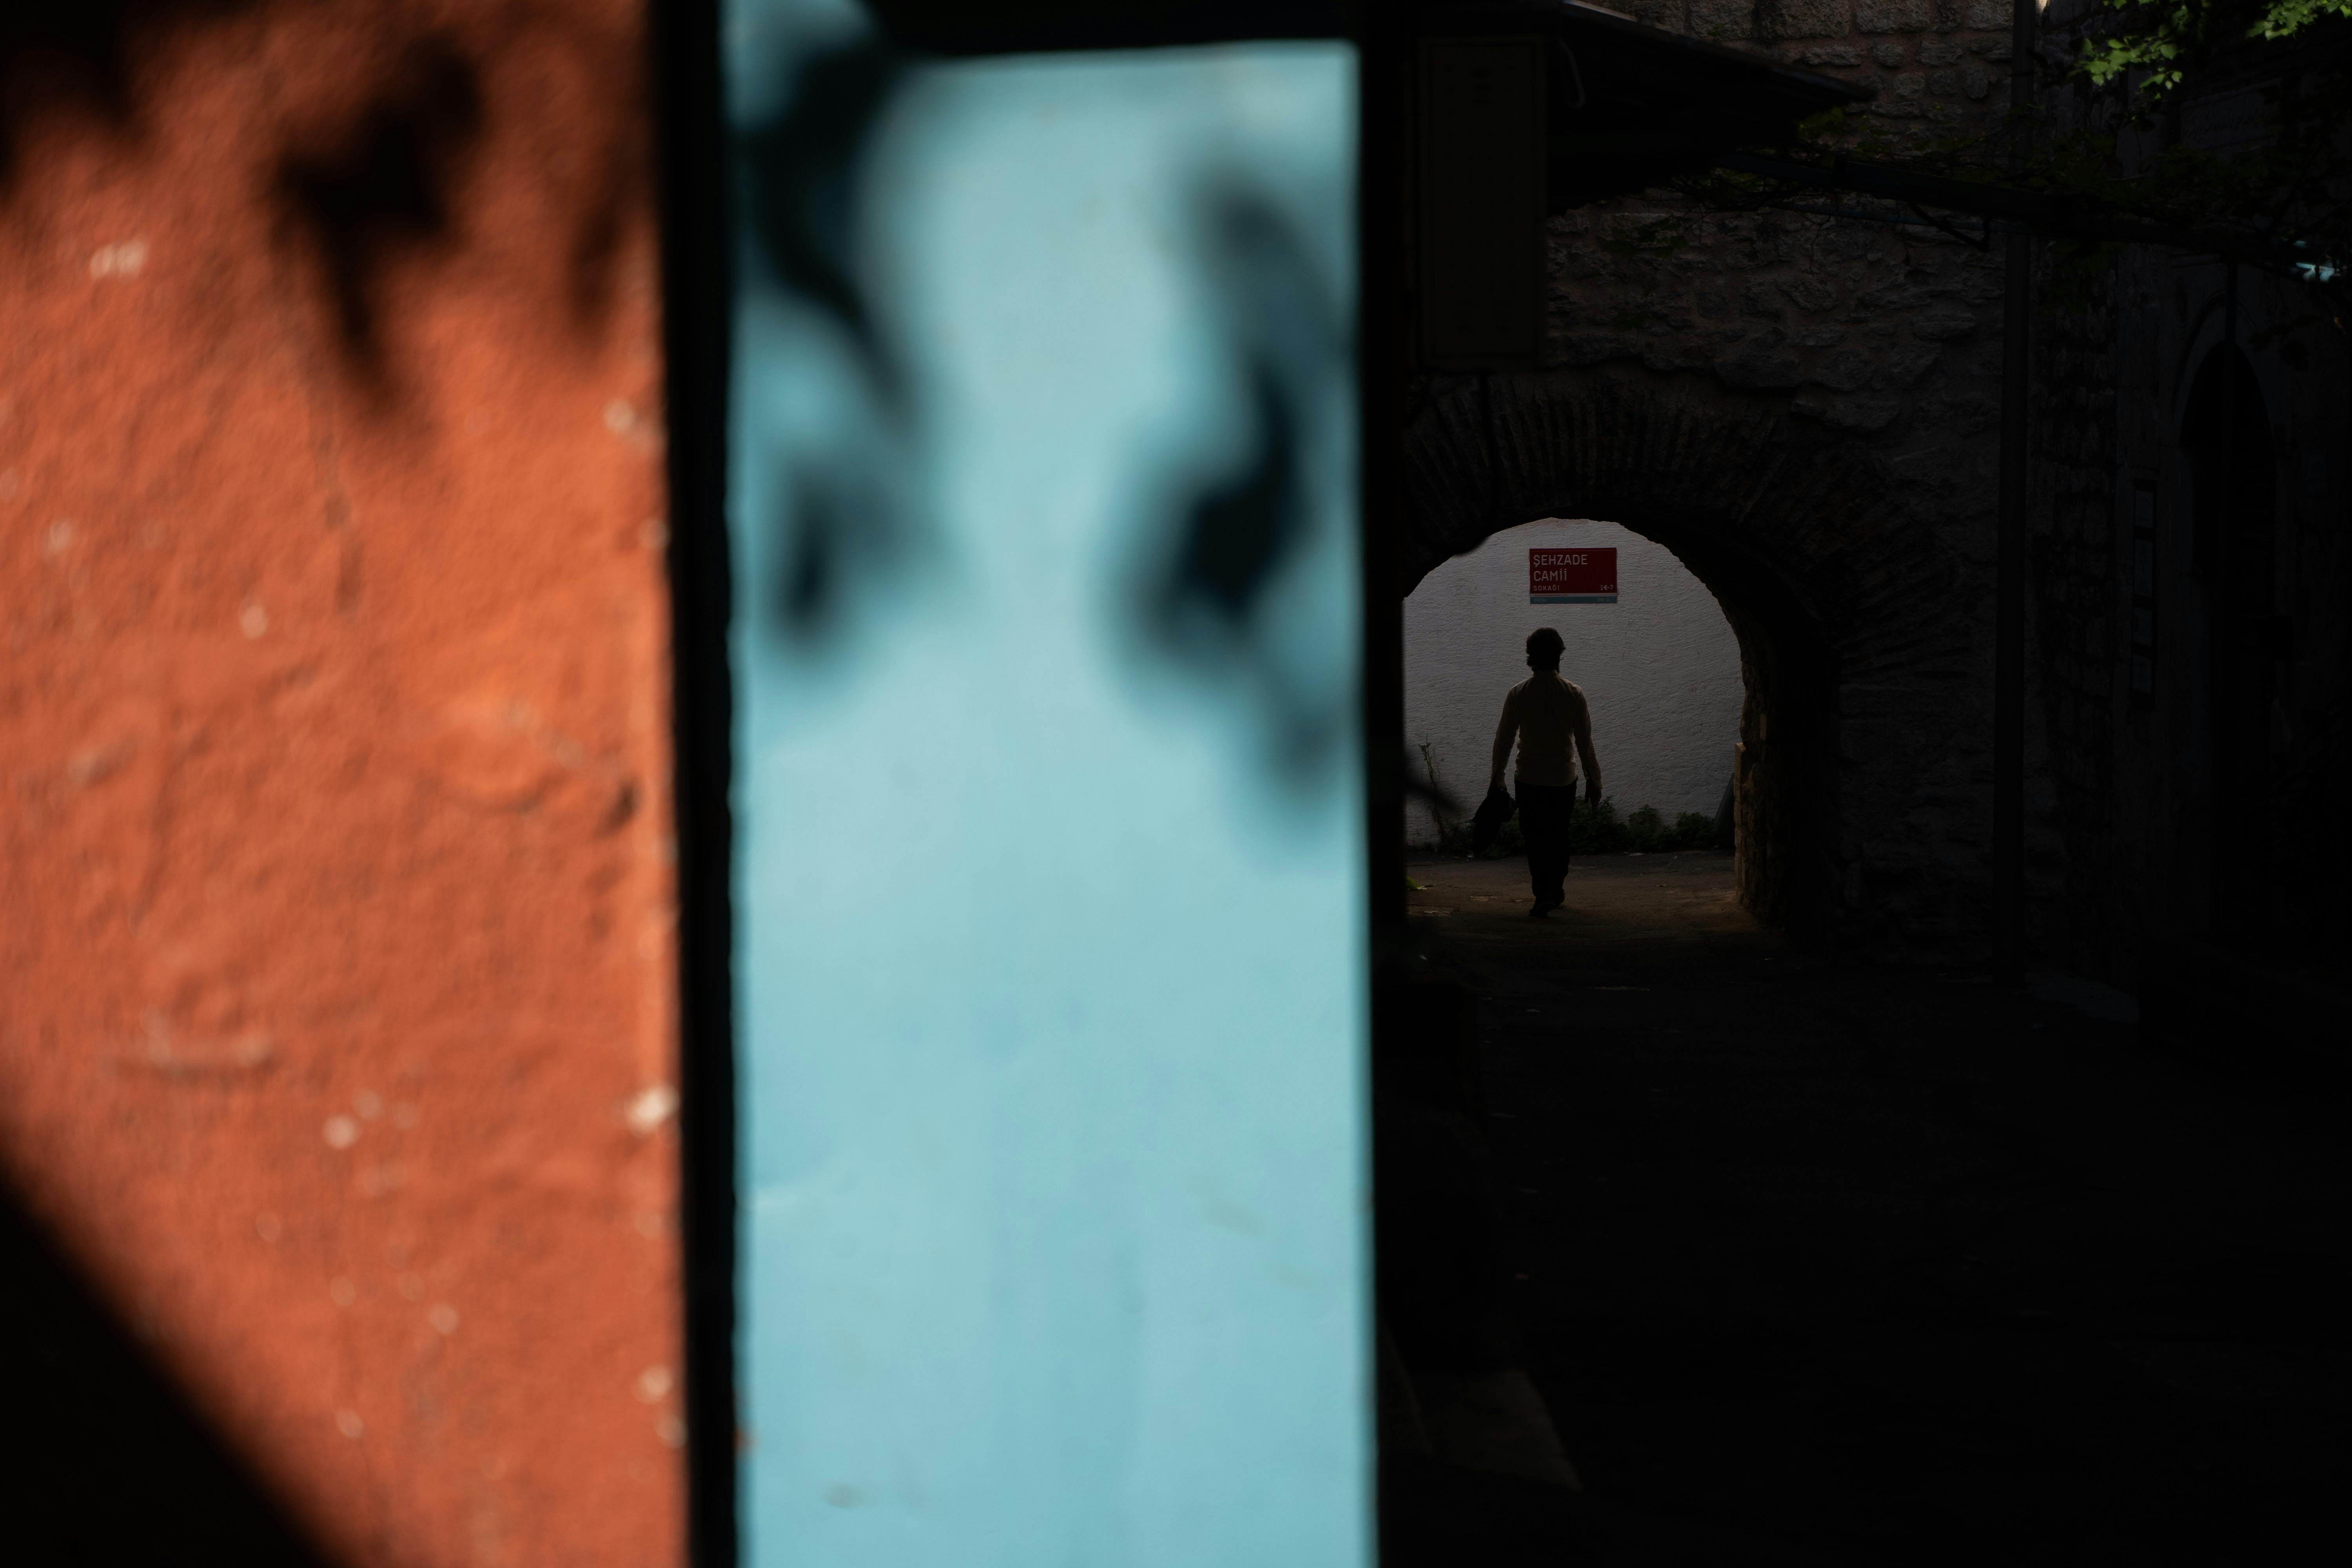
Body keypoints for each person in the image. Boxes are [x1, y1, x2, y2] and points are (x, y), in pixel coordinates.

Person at [1489, 627, 1602, 918]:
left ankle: (1544, 894)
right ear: (1559, 655)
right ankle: (1555, 890)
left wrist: (1497, 778)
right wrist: (1594, 780)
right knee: (1558, 836)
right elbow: (1585, 742)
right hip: (1563, 779)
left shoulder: (1518, 694)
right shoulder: (1574, 694)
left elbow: (1503, 740)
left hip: (1528, 779)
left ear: (1531, 657)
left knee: (1535, 839)